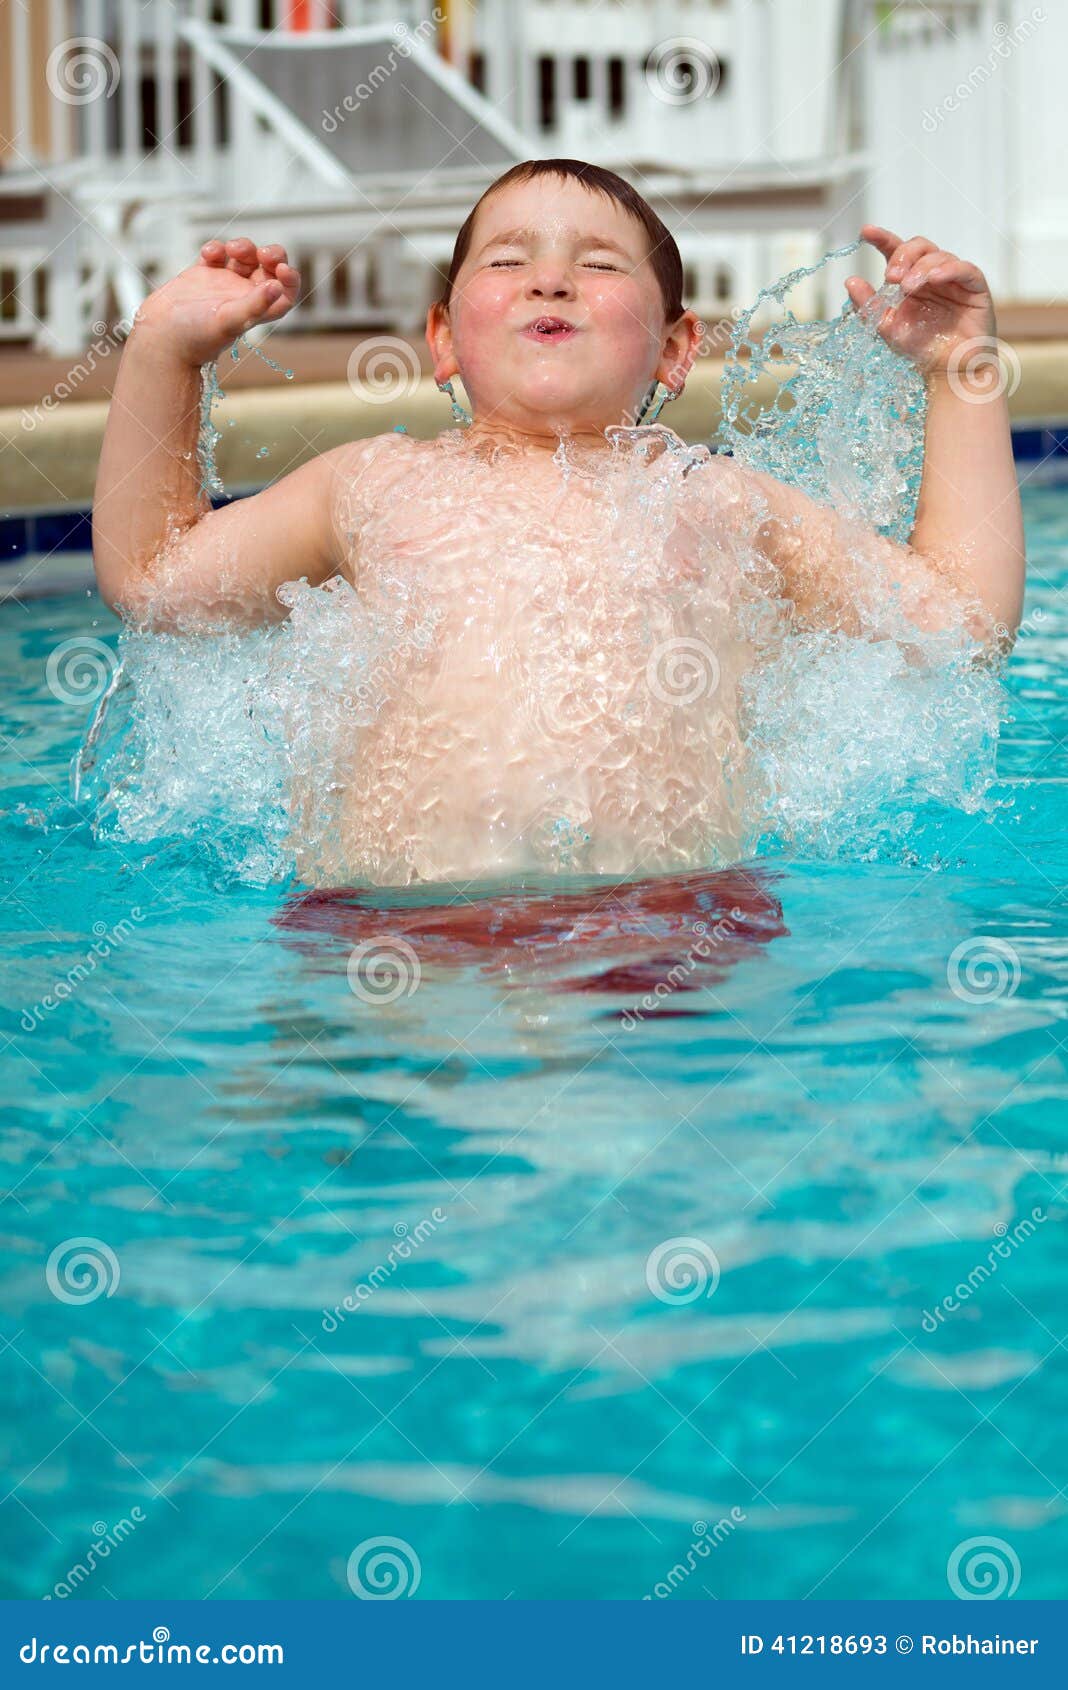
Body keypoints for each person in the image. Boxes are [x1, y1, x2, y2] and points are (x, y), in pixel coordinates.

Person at [91, 160, 1025, 889]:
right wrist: (164, 353)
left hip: (665, 929)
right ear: (443, 339)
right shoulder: (371, 484)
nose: (549, 281)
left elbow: (961, 623)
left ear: (674, 348)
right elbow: (153, 580)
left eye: (599, 265)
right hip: (388, 928)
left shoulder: (718, 499)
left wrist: (960, 372)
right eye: (507, 262)